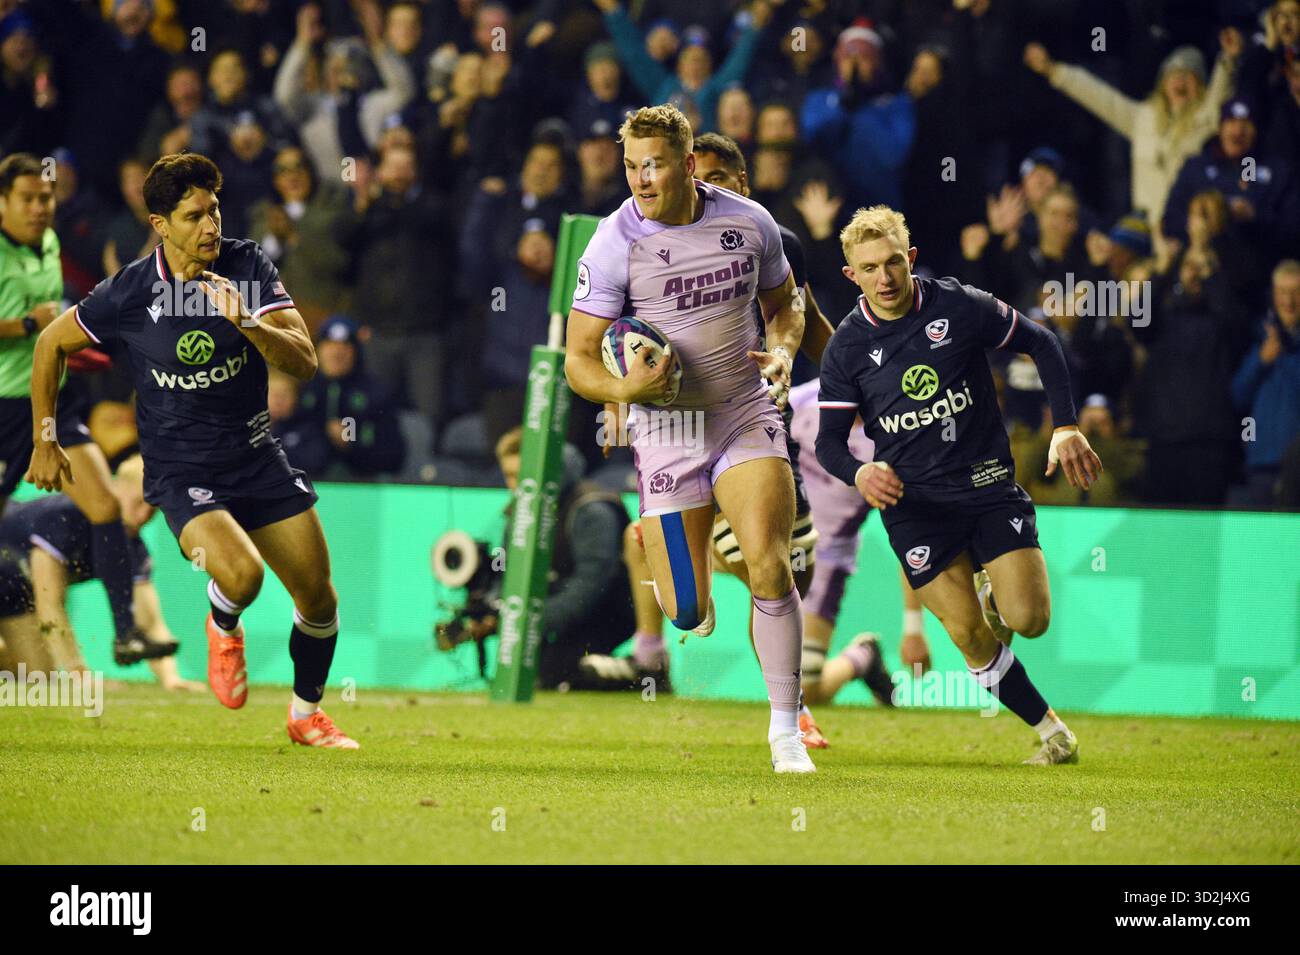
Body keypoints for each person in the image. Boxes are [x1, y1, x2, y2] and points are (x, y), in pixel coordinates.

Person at [25, 152, 358, 749]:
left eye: (216, 210)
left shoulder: (247, 265)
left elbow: (305, 362)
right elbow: (51, 342)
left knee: (319, 597)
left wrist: (249, 322)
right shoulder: (129, 291)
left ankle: (306, 714)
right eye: (194, 215)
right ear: (160, 224)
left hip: (256, 456)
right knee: (243, 575)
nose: (211, 226)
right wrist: (45, 438)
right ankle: (222, 621)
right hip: (182, 470)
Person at [564, 104, 815, 773]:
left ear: (687, 164)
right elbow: (578, 358)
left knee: (769, 560)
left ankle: (786, 731)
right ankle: (691, 585)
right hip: (668, 426)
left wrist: (784, 351)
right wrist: (626, 392)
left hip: (741, 407)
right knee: (684, 609)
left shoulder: (749, 221)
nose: (641, 179)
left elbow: (786, 304)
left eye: (653, 165)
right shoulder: (613, 241)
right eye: (630, 166)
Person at [816, 205, 1102, 765]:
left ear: (911, 258)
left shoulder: (958, 304)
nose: (885, 278)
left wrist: (1066, 425)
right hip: (916, 507)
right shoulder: (845, 348)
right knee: (969, 634)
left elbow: (1042, 342)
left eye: (894, 262)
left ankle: (996, 588)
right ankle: (1052, 732)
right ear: (852, 275)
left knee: (1030, 622)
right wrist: (859, 471)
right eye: (870, 268)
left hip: (988, 486)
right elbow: (829, 443)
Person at [0, 153, 161, 665]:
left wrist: (69, 347)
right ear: (3, 203)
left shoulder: (50, 243)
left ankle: (125, 633)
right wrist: (29, 326)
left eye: (45, 198)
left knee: (105, 506)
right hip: (4, 408)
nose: (39, 208)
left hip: (53, 403)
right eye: (27, 199)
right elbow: (36, 324)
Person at [0, 454, 204, 691]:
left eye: (152, 510)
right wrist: (80, 674)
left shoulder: (131, 547)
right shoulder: (65, 517)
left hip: (12, 593)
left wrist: (170, 678)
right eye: (138, 502)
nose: (142, 517)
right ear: (115, 487)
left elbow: (149, 622)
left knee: (39, 678)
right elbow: (50, 605)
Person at [1024, 30, 1241, 225]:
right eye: (1173, 75)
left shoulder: (1205, 121)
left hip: (1185, 225)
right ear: (1162, 83)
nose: (1180, 81)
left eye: (1188, 76)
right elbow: (1100, 97)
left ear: (1201, 85)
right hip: (1144, 224)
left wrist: (1228, 60)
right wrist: (1053, 71)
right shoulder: (1144, 118)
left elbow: (1221, 93)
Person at [1230, 260, 1300, 507]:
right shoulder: (1257, 338)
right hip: (1261, 465)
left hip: (1296, 467)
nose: (1289, 301)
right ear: (1273, 295)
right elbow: (1237, 396)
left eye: (1296, 293)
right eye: (1283, 292)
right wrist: (1260, 361)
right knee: (1258, 542)